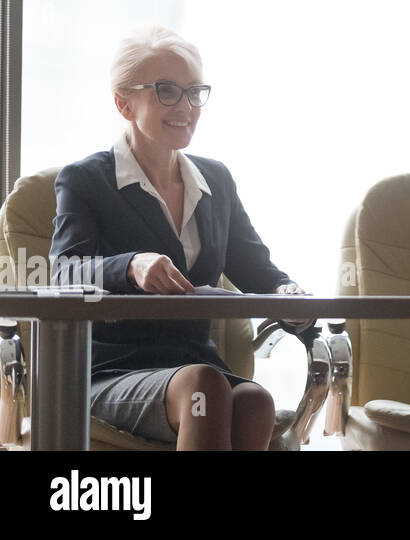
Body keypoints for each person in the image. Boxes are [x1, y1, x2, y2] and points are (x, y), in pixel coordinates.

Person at [50, 26, 310, 450]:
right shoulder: (85, 180)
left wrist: (287, 291)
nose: (186, 106)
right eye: (167, 91)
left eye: (194, 92)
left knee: (256, 401)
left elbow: (257, 269)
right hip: (111, 370)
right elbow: (63, 273)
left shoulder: (216, 181)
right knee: (204, 389)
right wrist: (131, 266)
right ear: (124, 103)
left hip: (193, 365)